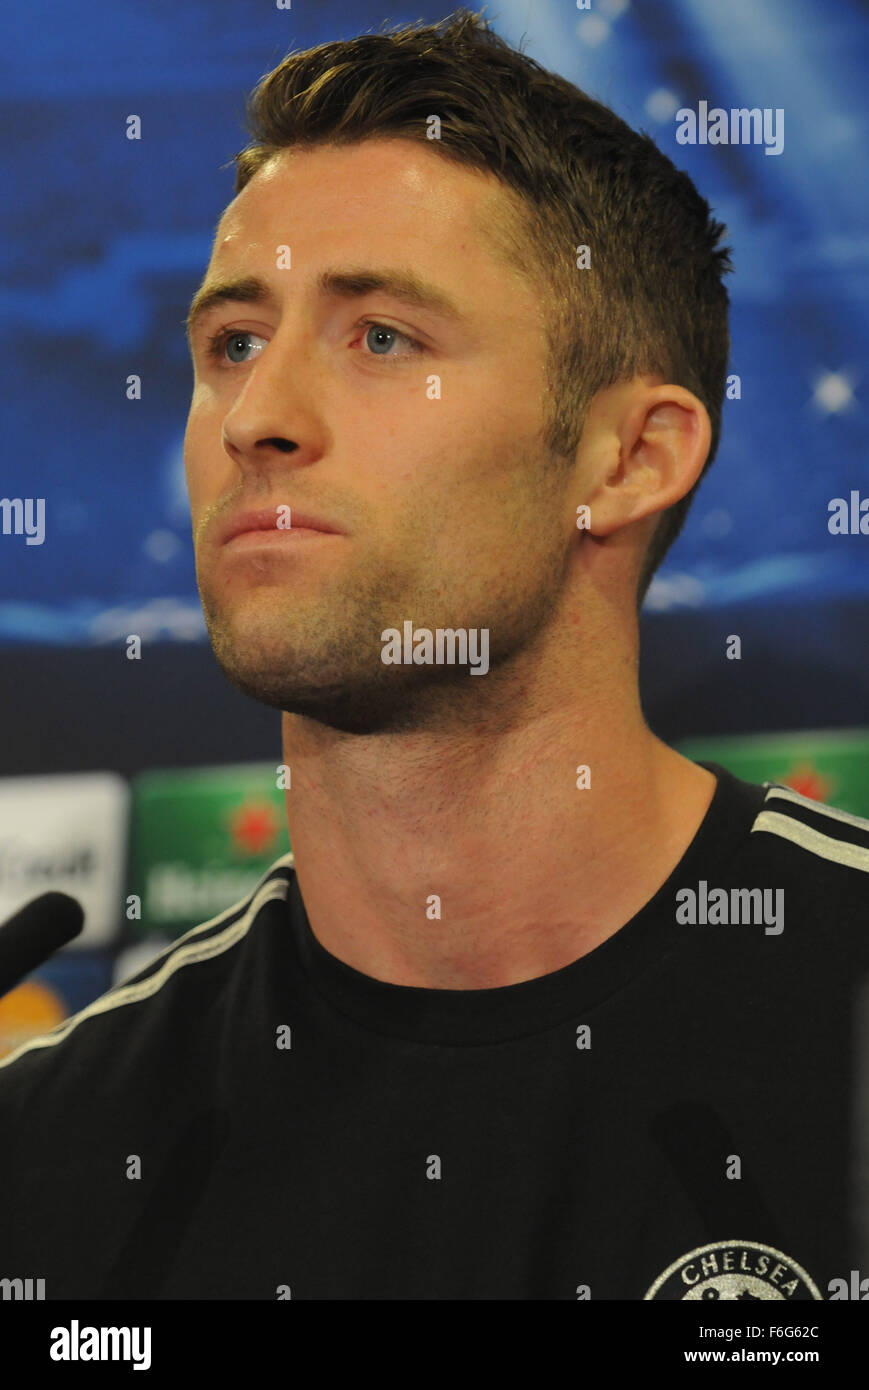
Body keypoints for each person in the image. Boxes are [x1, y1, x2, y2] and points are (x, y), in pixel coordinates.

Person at [1, 8, 867, 1301]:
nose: (259, 418)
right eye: (232, 343)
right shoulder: (48, 1149)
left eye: (381, 337)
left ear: (629, 457)